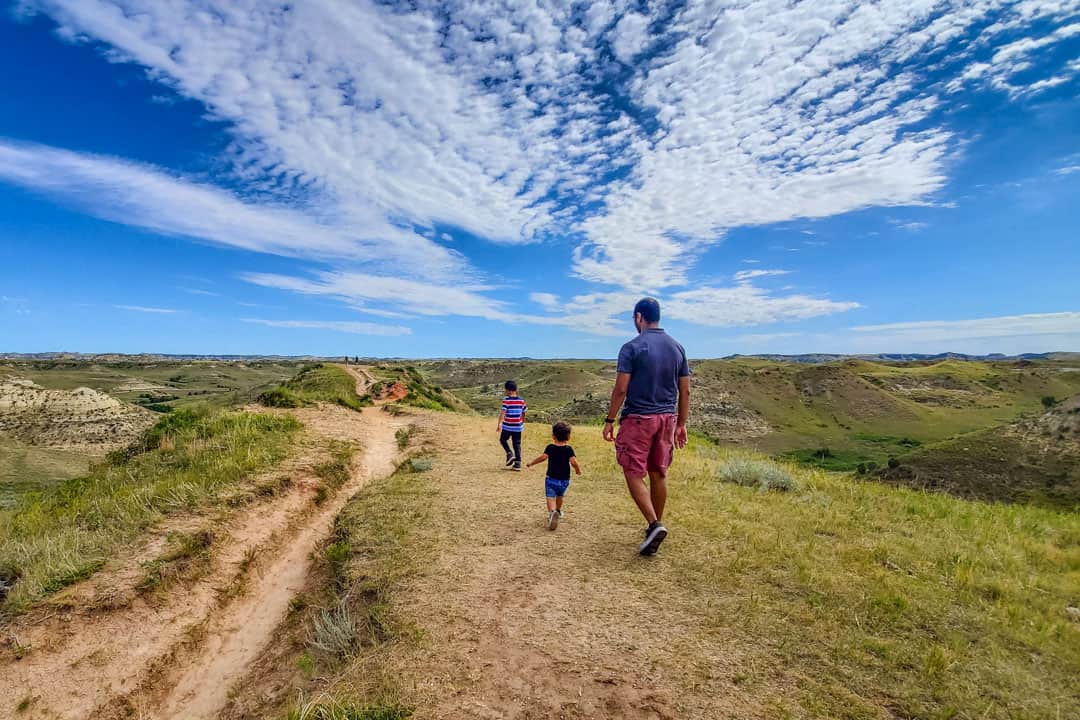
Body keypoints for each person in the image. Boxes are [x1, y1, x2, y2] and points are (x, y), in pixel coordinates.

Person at [602, 297, 690, 556]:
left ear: (639, 317)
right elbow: (685, 390)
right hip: (667, 419)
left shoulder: (632, 347)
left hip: (639, 419)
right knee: (658, 473)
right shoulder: (677, 348)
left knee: (633, 472)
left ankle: (654, 524)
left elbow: (620, 389)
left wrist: (609, 420)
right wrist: (681, 423)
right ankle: (654, 527)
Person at [526, 421, 581, 530]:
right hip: (565, 480)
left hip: (551, 478)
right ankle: (558, 511)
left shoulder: (550, 447)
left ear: (553, 436)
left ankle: (552, 513)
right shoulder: (569, 449)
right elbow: (574, 462)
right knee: (560, 496)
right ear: (568, 436)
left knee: (550, 498)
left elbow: (543, 458)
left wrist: (532, 463)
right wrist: (577, 470)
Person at [496, 380, 527, 470]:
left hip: (508, 426)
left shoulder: (506, 400)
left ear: (509, 390)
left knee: (503, 440)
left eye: (506, 390)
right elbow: (524, 412)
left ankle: (509, 454)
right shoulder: (521, 400)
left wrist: (500, 424)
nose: (505, 392)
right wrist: (522, 422)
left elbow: (503, 413)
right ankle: (517, 464)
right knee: (517, 444)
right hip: (518, 426)